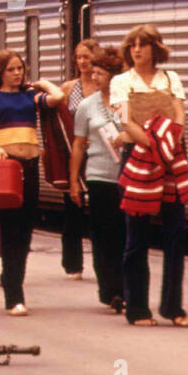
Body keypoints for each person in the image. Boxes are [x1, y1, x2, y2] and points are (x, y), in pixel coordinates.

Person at [0, 50, 65, 316]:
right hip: (7, 168)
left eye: (20, 69)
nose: (17, 73)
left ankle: (12, 280)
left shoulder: (30, 97)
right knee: (9, 229)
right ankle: (14, 295)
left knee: (25, 231)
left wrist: (42, 82)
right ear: (0, 72)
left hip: (31, 168)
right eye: (11, 69)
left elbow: (57, 98)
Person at [111, 24, 188, 327]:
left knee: (175, 233)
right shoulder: (122, 81)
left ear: (156, 48)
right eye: (132, 44)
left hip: (171, 157)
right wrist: (152, 144)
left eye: (143, 44)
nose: (137, 49)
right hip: (138, 157)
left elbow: (179, 114)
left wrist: (167, 144)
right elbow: (125, 120)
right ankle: (137, 308)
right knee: (137, 235)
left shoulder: (171, 79)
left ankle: (173, 307)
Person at [68, 46, 128, 313]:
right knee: (102, 234)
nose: (94, 77)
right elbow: (79, 144)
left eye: (100, 73)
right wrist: (74, 181)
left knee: (124, 234)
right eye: (93, 73)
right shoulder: (85, 106)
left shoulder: (125, 104)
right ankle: (110, 290)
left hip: (125, 178)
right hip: (98, 177)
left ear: (114, 77)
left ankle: (125, 287)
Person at [58, 38, 102, 279]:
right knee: (73, 207)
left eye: (87, 57)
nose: (83, 62)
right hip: (75, 153)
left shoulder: (104, 87)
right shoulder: (68, 88)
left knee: (98, 210)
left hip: (98, 153)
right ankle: (73, 263)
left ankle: (101, 263)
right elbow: (60, 121)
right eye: (79, 57)